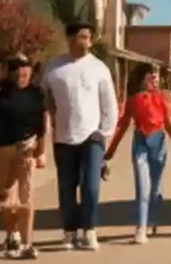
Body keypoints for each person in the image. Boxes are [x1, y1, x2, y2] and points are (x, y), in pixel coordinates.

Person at [42, 21, 119, 251]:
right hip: (63, 137)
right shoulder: (54, 68)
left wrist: (104, 132)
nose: (87, 42)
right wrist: (49, 122)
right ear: (70, 38)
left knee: (91, 186)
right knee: (66, 187)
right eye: (82, 37)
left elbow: (110, 106)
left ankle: (90, 230)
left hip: (92, 137)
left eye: (89, 37)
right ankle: (69, 232)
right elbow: (43, 97)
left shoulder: (98, 68)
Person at [105, 63, 171, 244]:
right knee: (142, 186)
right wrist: (111, 151)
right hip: (140, 142)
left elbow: (168, 123)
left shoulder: (163, 97)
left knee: (155, 187)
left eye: (156, 77)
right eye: (151, 77)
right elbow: (123, 126)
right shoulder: (133, 100)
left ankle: (152, 219)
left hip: (159, 144)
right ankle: (140, 226)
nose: (155, 81)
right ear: (143, 79)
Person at [0, 53, 48, 259]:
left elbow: (42, 125)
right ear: (10, 73)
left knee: (26, 196)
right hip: (3, 148)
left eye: (26, 70)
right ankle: (13, 235)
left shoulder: (37, 94)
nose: (22, 74)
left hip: (25, 148)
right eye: (18, 70)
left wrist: (41, 152)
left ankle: (27, 244)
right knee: (4, 198)